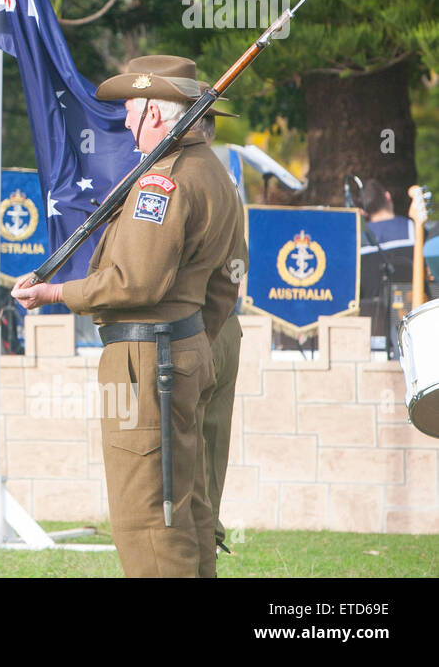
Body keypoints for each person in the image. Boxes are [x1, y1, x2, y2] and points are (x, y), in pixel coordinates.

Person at [12, 55, 247, 577]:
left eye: (132, 112)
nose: (123, 123)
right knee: (188, 506)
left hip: (148, 359)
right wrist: (199, 342)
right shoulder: (215, 173)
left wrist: (55, 293)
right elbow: (227, 280)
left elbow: (135, 282)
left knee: (148, 515)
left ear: (158, 118)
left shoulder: (162, 184)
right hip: (180, 349)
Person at [197, 112, 245, 556]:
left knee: (186, 455)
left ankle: (196, 547)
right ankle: (204, 540)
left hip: (202, 324)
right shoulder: (224, 180)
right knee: (210, 450)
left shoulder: (191, 181)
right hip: (223, 322)